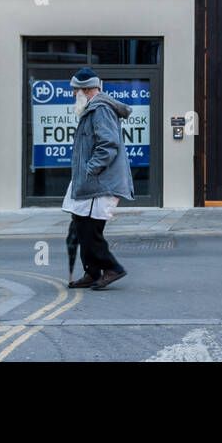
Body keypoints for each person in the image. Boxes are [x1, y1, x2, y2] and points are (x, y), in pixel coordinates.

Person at [64, 67, 134, 290]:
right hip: (90, 182)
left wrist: (90, 169)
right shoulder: (92, 108)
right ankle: (92, 272)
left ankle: (113, 268)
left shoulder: (100, 110)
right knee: (80, 226)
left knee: (90, 231)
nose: (74, 94)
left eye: (76, 90)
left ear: (86, 90)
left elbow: (108, 144)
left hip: (99, 183)